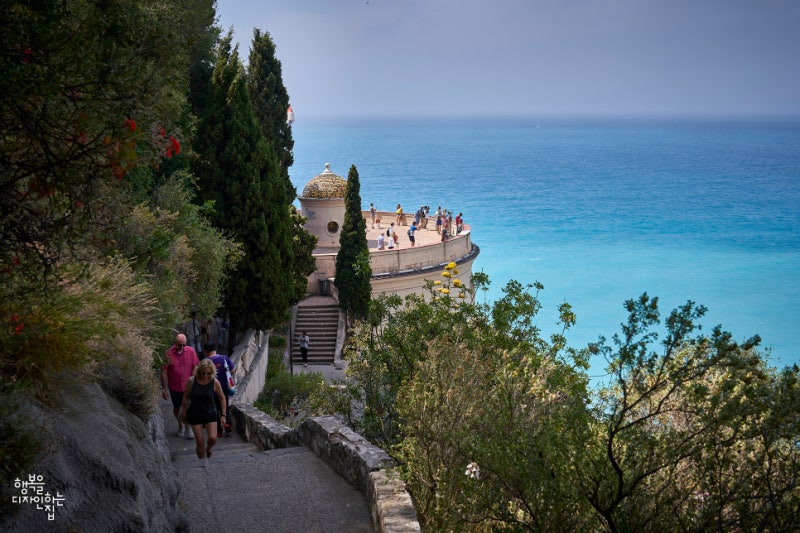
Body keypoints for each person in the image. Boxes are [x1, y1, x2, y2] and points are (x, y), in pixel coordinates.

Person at [181, 359, 227, 466]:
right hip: (195, 413)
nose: (206, 375)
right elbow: (185, 397)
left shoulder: (214, 382)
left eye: (208, 373)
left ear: (212, 372)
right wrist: (184, 412)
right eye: (203, 373)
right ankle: (203, 464)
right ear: (199, 371)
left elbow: (222, 398)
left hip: (210, 413)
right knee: (200, 441)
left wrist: (223, 415)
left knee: (213, 438)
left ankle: (209, 448)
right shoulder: (192, 381)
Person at [161, 333, 199, 439]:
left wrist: (194, 381)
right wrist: (164, 388)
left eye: (183, 345)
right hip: (175, 387)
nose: (181, 347)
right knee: (177, 408)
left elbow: (195, 367)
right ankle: (180, 425)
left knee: (188, 406)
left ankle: (188, 426)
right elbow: (164, 371)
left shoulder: (191, 351)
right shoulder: (168, 353)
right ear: (175, 343)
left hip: (188, 386)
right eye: (179, 345)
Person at [205, 342, 235, 437]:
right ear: (215, 349)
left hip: (211, 391)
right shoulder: (224, 358)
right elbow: (232, 370)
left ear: (206, 351)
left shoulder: (205, 362)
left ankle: (218, 430)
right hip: (224, 389)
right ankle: (227, 424)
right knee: (224, 406)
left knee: (214, 410)